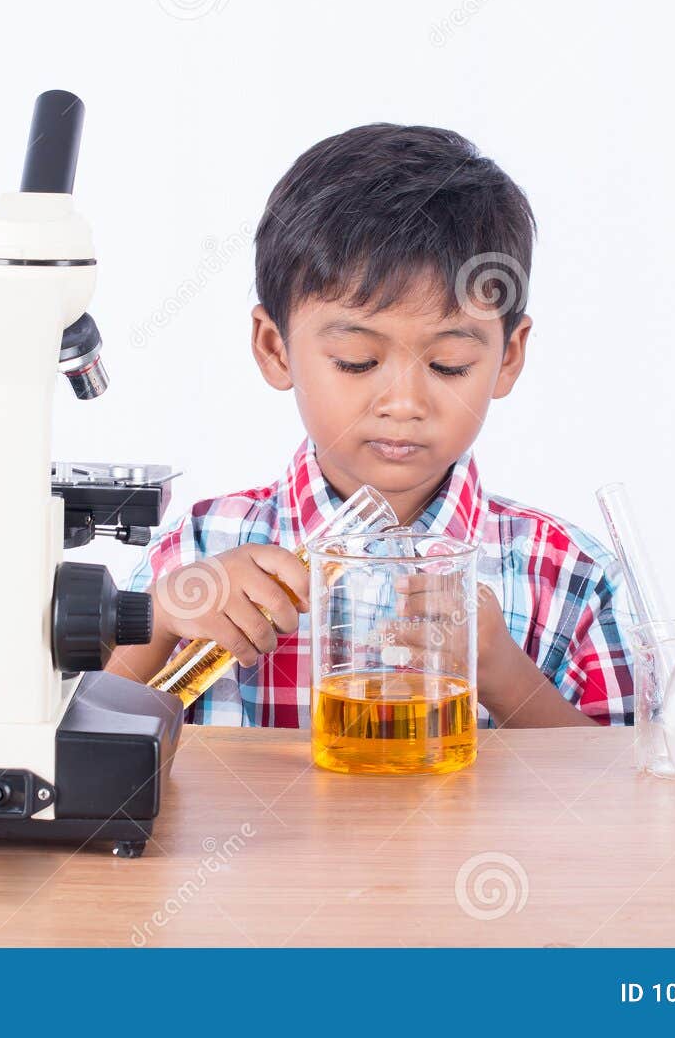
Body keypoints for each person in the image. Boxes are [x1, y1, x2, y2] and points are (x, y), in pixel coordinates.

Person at [108, 123, 630, 728]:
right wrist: (161, 619)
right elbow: (75, 749)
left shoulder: (567, 575)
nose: (404, 403)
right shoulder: (199, 550)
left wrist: (503, 675)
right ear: (276, 348)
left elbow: (630, 796)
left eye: (448, 365)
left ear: (507, 357)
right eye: (357, 360)